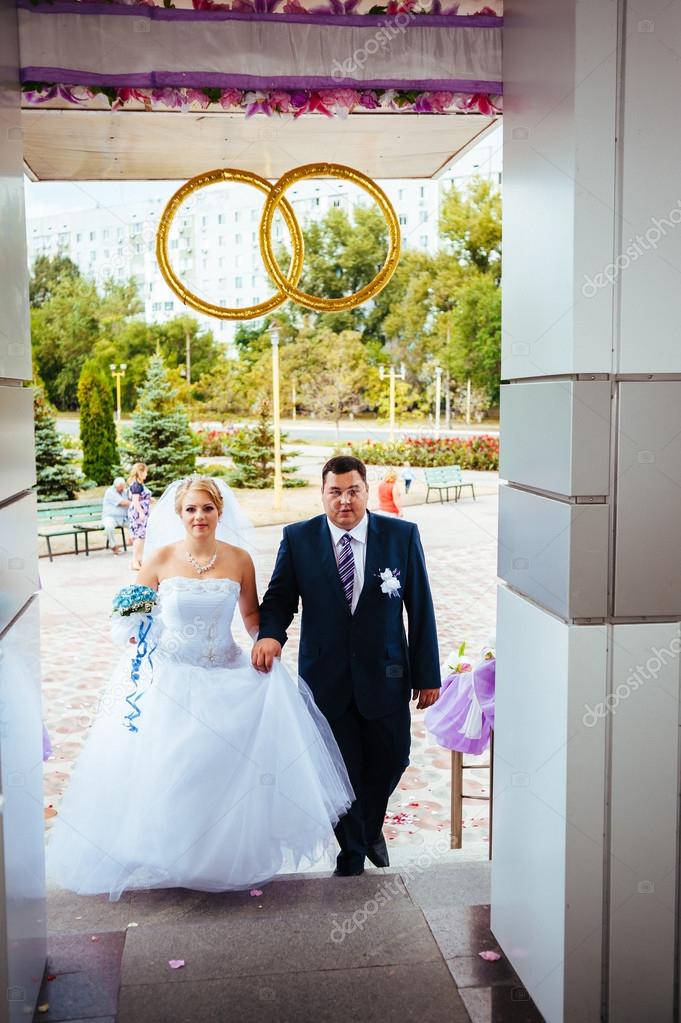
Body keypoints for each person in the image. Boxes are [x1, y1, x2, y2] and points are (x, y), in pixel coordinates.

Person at [46, 476, 354, 901]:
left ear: (219, 512)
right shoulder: (159, 559)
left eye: (207, 509)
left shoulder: (240, 560)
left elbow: (250, 618)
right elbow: (131, 616)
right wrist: (135, 632)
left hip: (225, 673)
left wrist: (264, 642)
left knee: (219, 772)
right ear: (179, 514)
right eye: (191, 509)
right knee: (173, 769)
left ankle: (213, 858)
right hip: (170, 679)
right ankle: (171, 853)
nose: (199, 517)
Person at [253, 455, 440, 877]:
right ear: (322, 494)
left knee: (394, 758)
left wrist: (427, 674)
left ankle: (369, 827)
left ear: (366, 491)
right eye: (334, 492)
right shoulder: (298, 539)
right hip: (325, 678)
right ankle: (352, 855)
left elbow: (420, 609)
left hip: (387, 674)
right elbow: (280, 598)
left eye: (352, 490)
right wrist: (271, 634)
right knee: (339, 770)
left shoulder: (401, 536)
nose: (344, 501)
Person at [127, 462, 152, 571]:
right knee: (138, 537)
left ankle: (139, 559)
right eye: (145, 472)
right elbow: (135, 501)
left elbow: (141, 498)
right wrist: (141, 512)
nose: (146, 474)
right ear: (140, 472)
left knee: (141, 537)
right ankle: (135, 561)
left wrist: (149, 500)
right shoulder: (136, 485)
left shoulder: (139, 484)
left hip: (141, 513)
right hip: (138, 514)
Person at [101, 476, 129, 555]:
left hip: (123, 518)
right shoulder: (110, 492)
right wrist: (136, 503)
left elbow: (131, 497)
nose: (122, 489)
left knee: (137, 524)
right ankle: (113, 546)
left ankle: (141, 544)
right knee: (109, 526)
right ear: (115, 486)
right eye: (120, 488)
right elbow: (122, 503)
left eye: (123, 487)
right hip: (110, 517)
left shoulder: (125, 491)